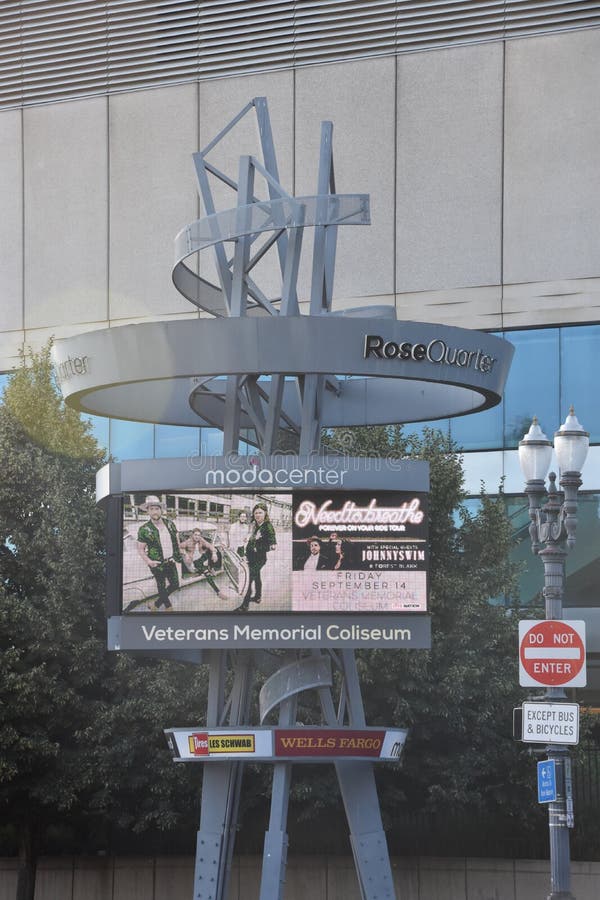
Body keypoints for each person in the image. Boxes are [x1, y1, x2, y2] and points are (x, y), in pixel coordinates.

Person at [136, 495, 181, 611]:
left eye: (157, 509)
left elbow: (176, 540)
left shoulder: (170, 524)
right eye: (151, 509)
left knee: (175, 584)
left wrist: (178, 554)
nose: (154, 512)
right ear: (148, 511)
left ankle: (156, 604)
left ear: (161, 510)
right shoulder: (144, 529)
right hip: (156, 563)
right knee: (161, 586)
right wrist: (149, 561)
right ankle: (168, 607)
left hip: (170, 561)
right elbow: (140, 549)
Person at [236, 502, 276, 611]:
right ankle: (258, 597)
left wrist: (258, 547)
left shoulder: (268, 526)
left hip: (259, 559)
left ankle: (244, 606)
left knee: (249, 579)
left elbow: (273, 546)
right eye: (256, 513)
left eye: (260, 513)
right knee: (257, 577)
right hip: (251, 557)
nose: (257, 515)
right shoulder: (257, 524)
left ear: (265, 513)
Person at [180, 527, 229, 601]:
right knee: (207, 574)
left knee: (215, 552)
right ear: (192, 535)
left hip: (201, 557)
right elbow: (179, 547)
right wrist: (185, 554)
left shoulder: (200, 540)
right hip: (195, 562)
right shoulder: (188, 542)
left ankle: (211, 567)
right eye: (195, 535)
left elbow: (209, 545)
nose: (197, 537)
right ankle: (218, 592)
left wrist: (214, 553)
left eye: (199, 535)